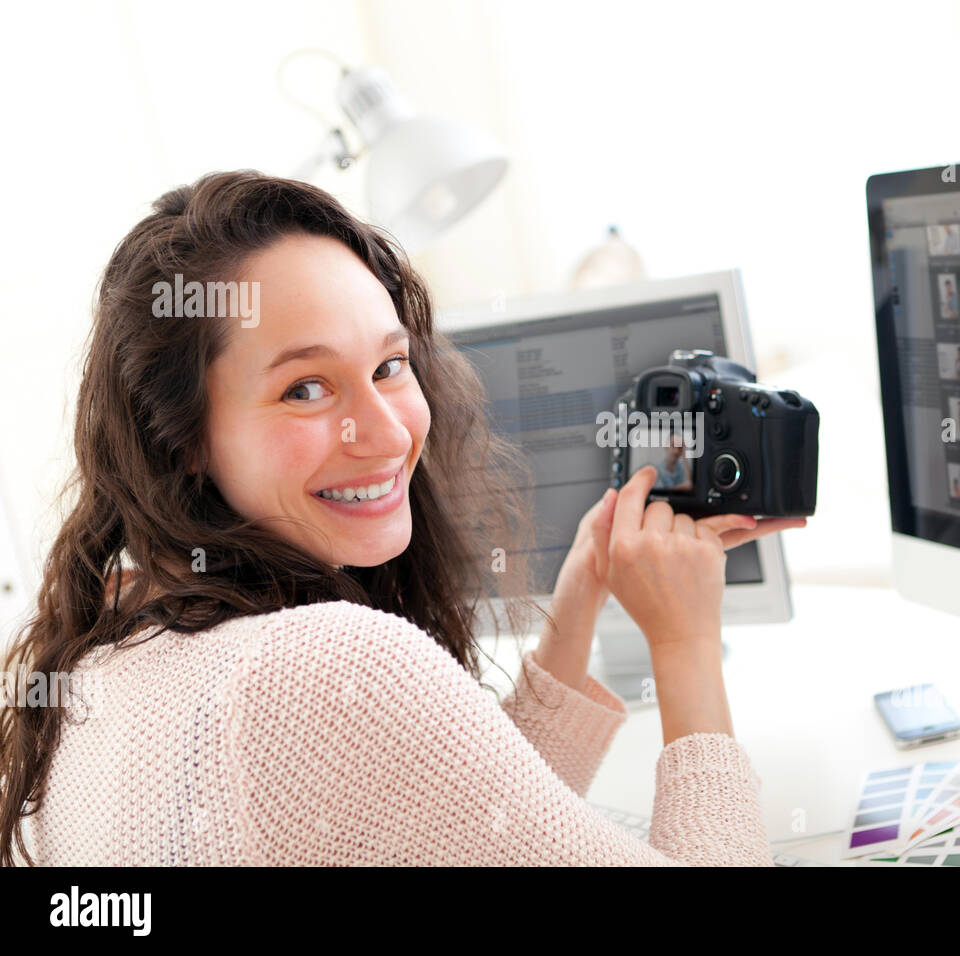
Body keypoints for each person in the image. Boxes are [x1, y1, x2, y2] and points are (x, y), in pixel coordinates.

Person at [2, 172, 805, 868]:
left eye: (389, 366)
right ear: (182, 440)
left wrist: (578, 604)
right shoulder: (323, 666)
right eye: (305, 388)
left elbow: (464, 828)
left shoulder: (109, 627)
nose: (387, 434)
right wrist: (687, 644)